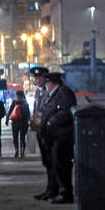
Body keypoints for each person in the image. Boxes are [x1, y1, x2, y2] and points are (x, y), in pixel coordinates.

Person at [41, 71, 77, 203]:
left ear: (51, 83)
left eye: (46, 83)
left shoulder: (63, 92)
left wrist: (52, 121)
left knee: (62, 165)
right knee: (55, 164)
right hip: (53, 136)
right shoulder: (53, 94)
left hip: (61, 136)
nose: (45, 86)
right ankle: (55, 190)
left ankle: (65, 193)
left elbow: (66, 111)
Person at [29, 67, 59, 199]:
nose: (37, 80)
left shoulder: (50, 92)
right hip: (40, 129)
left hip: (49, 131)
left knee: (53, 161)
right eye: (36, 78)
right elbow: (38, 111)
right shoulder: (39, 92)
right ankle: (50, 188)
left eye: (39, 78)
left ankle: (55, 189)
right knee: (47, 161)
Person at [7, 89, 31, 158]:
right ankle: (22, 152)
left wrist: (7, 119)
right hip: (24, 122)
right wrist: (29, 121)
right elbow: (28, 113)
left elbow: (10, 111)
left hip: (15, 122)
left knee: (15, 137)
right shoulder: (25, 103)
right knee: (22, 138)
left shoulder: (14, 102)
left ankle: (16, 150)